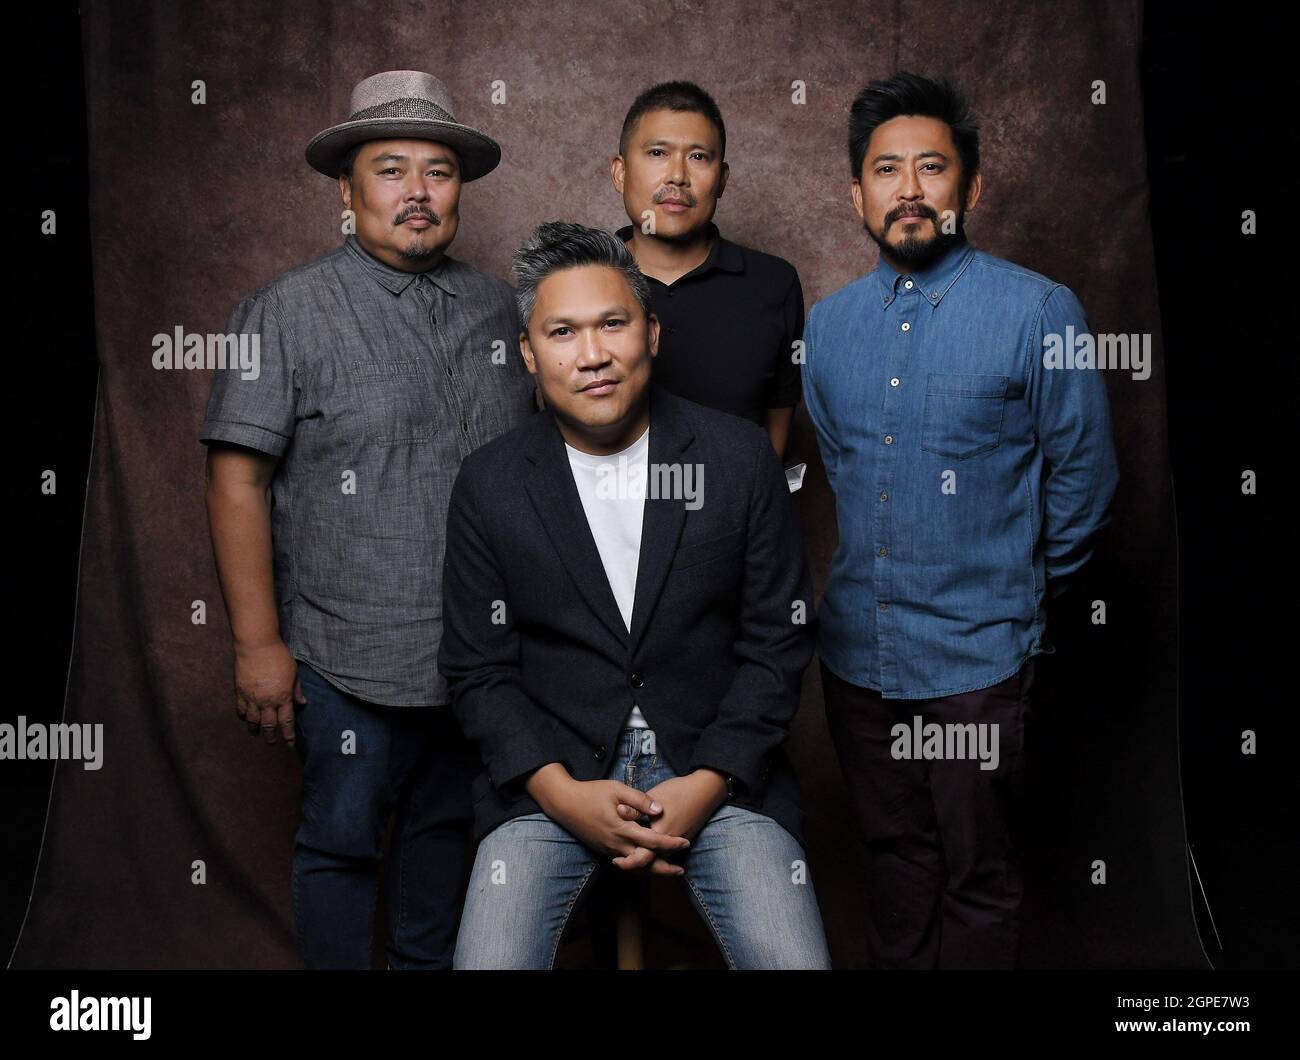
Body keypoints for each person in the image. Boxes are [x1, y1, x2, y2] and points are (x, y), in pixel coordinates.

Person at [200, 70, 535, 969]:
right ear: (348, 191)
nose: (418, 192)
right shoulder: (285, 312)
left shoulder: (502, 311)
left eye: (438, 171)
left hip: (476, 661)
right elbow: (237, 483)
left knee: (445, 843)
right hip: (345, 658)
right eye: (391, 170)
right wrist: (256, 644)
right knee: (341, 848)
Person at [441, 221, 830, 969]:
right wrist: (561, 796)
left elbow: (777, 642)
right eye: (561, 333)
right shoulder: (489, 483)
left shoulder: (737, 456)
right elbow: (477, 670)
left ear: (651, 331)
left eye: (612, 324)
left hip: (716, 771)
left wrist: (708, 783)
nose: (592, 356)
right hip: (550, 781)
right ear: (528, 353)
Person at [802, 71, 1119, 969]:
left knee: (979, 878)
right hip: (859, 665)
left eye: (930, 168)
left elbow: (1085, 487)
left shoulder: (1038, 312)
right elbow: (843, 465)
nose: (907, 190)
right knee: (894, 866)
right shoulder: (827, 330)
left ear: (969, 187)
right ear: (855, 192)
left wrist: (1005, 587)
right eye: (885, 170)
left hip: (979, 665)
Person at [611, 81, 804, 456]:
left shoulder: (773, 284)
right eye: (657, 153)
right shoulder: (579, 282)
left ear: (722, 179)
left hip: (736, 508)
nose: (677, 176)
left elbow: (778, 421)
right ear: (619, 172)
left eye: (698, 157)